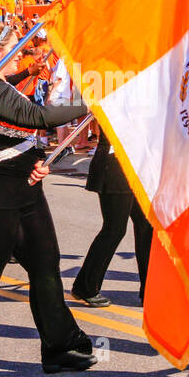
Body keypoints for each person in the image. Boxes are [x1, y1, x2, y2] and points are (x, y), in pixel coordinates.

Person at [0, 20, 93, 377]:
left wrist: (34, 161)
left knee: (45, 266)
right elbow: (36, 116)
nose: (22, 54)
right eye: (17, 48)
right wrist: (94, 102)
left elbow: (16, 125)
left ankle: (58, 346)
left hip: (23, 187)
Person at [71, 131, 152, 308]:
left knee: (147, 225)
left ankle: (150, 289)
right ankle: (85, 286)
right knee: (114, 229)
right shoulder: (114, 101)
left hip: (138, 165)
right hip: (116, 164)